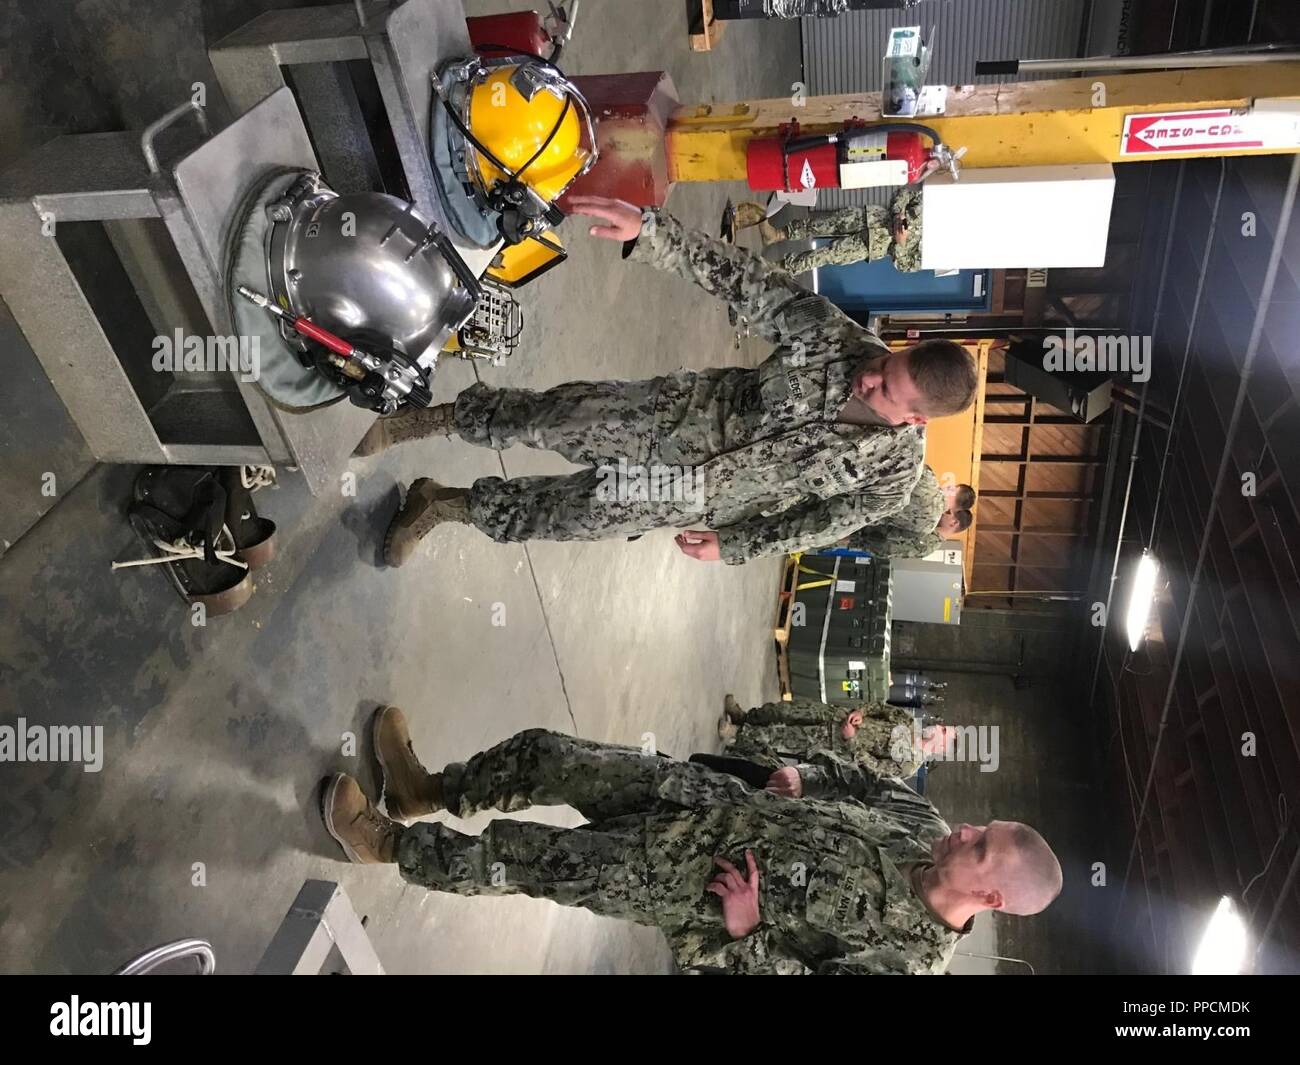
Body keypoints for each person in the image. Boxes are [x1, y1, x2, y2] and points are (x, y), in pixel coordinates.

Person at [357, 195, 977, 567]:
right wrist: (656, 235)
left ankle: (443, 505)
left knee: (567, 516)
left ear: (915, 419)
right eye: (884, 365)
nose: (867, 376)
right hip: (673, 415)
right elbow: (748, 283)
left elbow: (816, 525)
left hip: (681, 490)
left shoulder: (891, 478)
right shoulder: (842, 341)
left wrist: (735, 546)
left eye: (883, 390)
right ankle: (422, 420)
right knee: (548, 418)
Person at [321, 707, 1062, 974]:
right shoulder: (924, 828)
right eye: (980, 824)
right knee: (551, 754)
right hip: (700, 795)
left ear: (990, 895)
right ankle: (430, 789)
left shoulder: (909, 964)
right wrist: (806, 775)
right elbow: (868, 783)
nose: (962, 829)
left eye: (979, 845)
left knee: (517, 858)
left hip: (676, 881)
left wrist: (744, 934)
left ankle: (386, 844)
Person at [717, 695, 952, 779]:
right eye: (943, 725)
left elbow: (872, 767)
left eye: (943, 731)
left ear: (941, 747)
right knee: (784, 710)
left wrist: (851, 740)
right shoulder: (910, 723)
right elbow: (881, 707)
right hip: (836, 715)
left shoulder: (909, 764)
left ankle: (736, 735)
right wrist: (861, 712)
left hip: (833, 742)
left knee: (781, 737)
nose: (938, 726)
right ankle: (746, 717)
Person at [732, 186, 924, 274]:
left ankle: (768, 269)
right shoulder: (936, 206)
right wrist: (899, 212)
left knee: (823, 256)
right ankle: (776, 235)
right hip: (873, 216)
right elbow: (905, 193)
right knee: (821, 223)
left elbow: (906, 266)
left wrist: (901, 243)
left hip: (872, 245)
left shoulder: (938, 254)